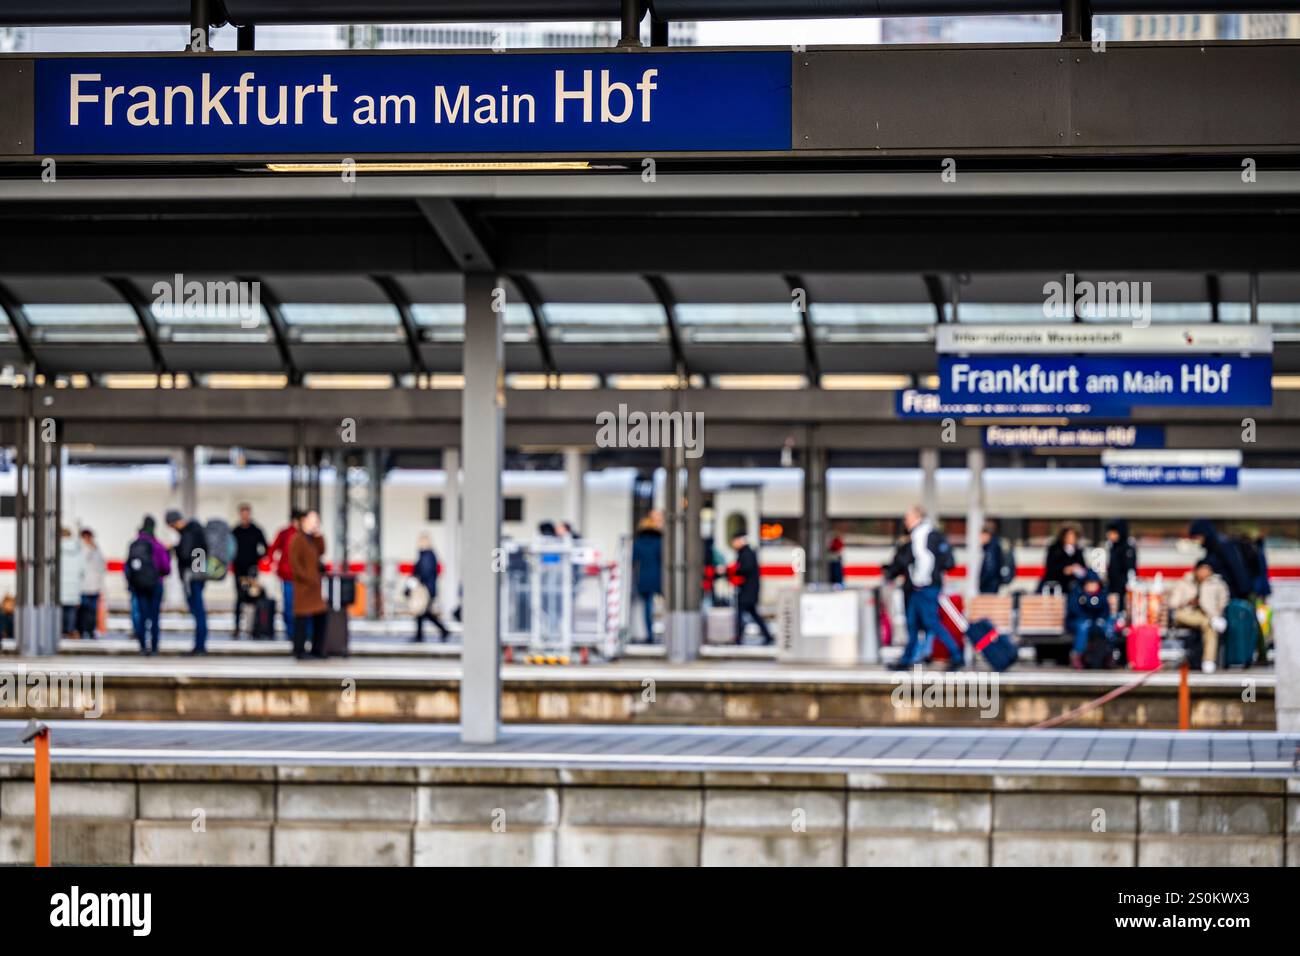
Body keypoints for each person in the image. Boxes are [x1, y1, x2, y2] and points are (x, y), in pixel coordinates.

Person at [887, 505, 963, 670]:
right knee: (913, 623)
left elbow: (925, 558)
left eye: (907, 518)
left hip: (924, 587)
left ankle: (957, 655)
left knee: (931, 622)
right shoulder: (930, 533)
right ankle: (906, 660)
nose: (905, 522)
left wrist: (920, 580)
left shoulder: (920, 534)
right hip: (922, 587)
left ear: (916, 517)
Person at [1169, 561, 1230, 673]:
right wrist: (1188, 601)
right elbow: (1173, 604)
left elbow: (1223, 602)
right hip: (1186, 614)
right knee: (1209, 623)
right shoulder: (1184, 582)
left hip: (1206, 615)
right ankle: (1209, 661)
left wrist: (1216, 613)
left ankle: (1208, 661)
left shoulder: (1217, 584)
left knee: (1209, 627)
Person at [165, 508, 208, 655]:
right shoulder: (196, 531)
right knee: (199, 611)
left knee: (198, 611)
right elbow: (199, 555)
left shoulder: (189, 533)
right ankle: (200, 645)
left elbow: (186, 555)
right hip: (197, 577)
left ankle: (200, 646)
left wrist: (175, 549)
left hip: (192, 579)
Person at [126, 516, 170, 656]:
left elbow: (127, 567)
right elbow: (166, 568)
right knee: (154, 617)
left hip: (139, 586)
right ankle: (155, 647)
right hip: (156, 584)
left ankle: (143, 646)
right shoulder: (158, 545)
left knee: (142, 616)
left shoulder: (134, 544)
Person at [289, 509, 328, 659]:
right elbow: (295, 564)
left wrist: (319, 534)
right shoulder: (297, 540)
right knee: (301, 620)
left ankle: (317, 649)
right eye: (313, 520)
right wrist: (308, 578)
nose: (316, 523)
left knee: (321, 617)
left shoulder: (312, 539)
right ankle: (299, 650)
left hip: (314, 587)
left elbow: (322, 550)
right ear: (304, 521)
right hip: (304, 587)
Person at [1189, 519, 1252, 601]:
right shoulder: (1212, 547)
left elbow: (1237, 569)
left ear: (1205, 534)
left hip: (1233, 595)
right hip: (1226, 594)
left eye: (1197, 537)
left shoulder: (1222, 545)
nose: (1197, 541)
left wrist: (1243, 595)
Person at [231, 502, 268, 637]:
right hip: (239, 571)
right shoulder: (235, 531)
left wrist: (256, 559)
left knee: (252, 598)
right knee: (240, 598)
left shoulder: (256, 530)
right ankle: (237, 627)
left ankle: (253, 627)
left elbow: (265, 547)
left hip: (251, 570)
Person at [730, 530, 774, 645]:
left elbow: (745, 570)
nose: (733, 544)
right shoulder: (746, 552)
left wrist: (734, 570)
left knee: (740, 613)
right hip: (748, 590)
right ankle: (767, 636)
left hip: (747, 591)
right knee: (753, 613)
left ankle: (738, 637)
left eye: (734, 541)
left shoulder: (746, 553)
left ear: (739, 541)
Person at [267, 509, 304, 641]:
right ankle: (291, 632)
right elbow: (273, 549)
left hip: (300, 577)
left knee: (300, 606)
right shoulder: (286, 534)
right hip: (288, 575)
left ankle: (298, 632)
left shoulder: (303, 534)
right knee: (289, 606)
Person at [1067, 570, 1114, 669]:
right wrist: (1088, 617)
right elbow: (1074, 610)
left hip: (1095, 623)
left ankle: (1109, 655)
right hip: (1077, 622)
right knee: (1083, 626)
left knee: (1108, 626)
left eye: (1094, 583)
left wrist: (1100, 619)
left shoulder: (1101, 594)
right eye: (1090, 583)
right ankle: (1077, 655)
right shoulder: (1078, 593)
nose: (1092, 586)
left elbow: (1105, 611)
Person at [631, 511, 663, 643]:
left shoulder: (638, 543)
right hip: (658, 577)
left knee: (647, 607)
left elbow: (633, 560)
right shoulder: (660, 542)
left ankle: (650, 634)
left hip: (643, 578)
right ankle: (664, 633)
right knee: (662, 606)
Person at [412, 533, 450, 642]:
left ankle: (442, 630)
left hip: (425, 589)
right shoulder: (427, 555)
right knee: (422, 612)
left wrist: (418, 584)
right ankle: (421, 635)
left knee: (422, 612)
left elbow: (424, 573)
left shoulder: (427, 556)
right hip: (427, 588)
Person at [1104, 519, 1138, 617]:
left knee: (1122, 612)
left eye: (1113, 533)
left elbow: (1130, 569)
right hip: (1113, 587)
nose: (1110, 535)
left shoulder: (1128, 548)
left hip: (1124, 588)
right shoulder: (1112, 547)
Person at [76, 528, 106, 640]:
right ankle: (83, 630)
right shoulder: (79, 549)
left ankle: (91, 630)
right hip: (83, 586)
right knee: (83, 610)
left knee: (92, 611)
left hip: (94, 586)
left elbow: (102, 567)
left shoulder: (96, 550)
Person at [1039, 523, 1086, 594]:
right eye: (1069, 535)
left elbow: (1084, 568)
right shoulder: (1054, 550)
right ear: (1064, 537)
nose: (1072, 538)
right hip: (1056, 585)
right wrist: (1064, 570)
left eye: (1074, 536)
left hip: (1073, 586)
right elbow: (1050, 567)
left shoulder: (1078, 551)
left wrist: (1077, 569)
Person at [57, 527, 83, 637]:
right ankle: (70, 630)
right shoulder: (77, 548)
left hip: (60, 584)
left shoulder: (55, 548)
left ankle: (60, 630)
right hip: (73, 585)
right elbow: (82, 569)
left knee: (60, 609)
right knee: (71, 610)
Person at [977, 521, 1015, 594]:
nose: (980, 538)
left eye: (981, 535)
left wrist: (982, 582)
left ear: (987, 535)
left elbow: (990, 567)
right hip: (996, 583)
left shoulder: (990, 549)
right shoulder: (997, 545)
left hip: (989, 585)